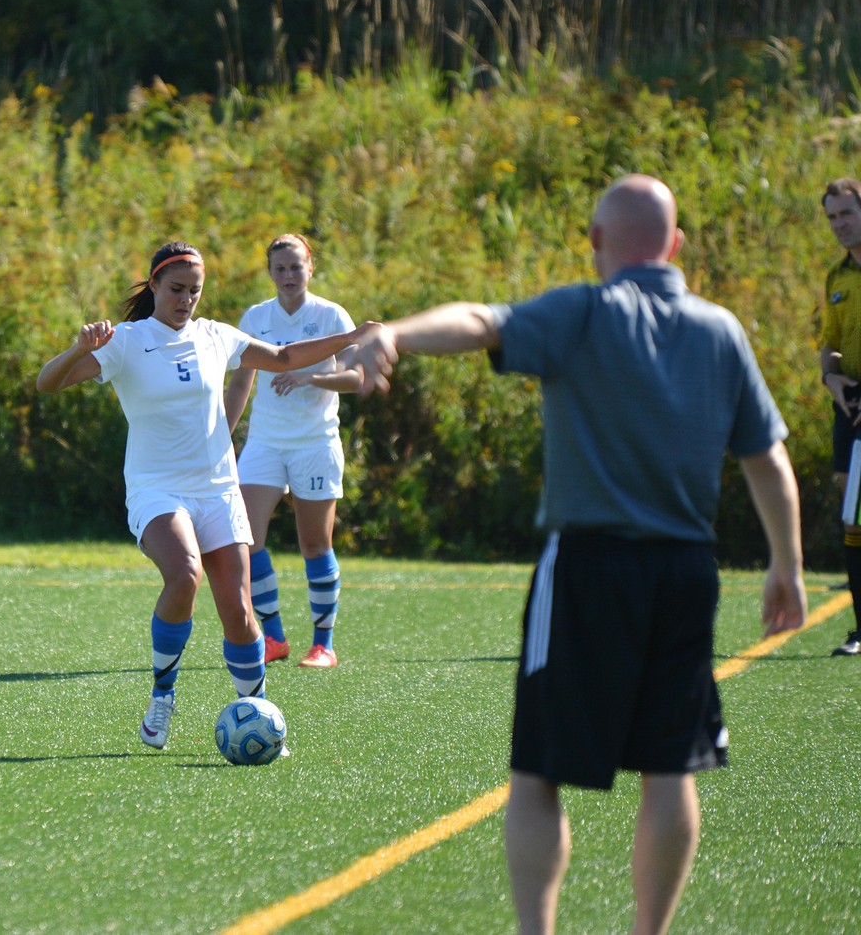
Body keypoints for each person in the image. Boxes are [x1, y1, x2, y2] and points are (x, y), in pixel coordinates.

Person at [345, 175, 807, 935]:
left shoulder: (583, 311)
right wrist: (785, 563)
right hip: (686, 570)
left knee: (538, 772)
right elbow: (767, 458)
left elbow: (481, 320)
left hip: (588, 568)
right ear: (676, 244)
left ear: (595, 240)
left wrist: (393, 333)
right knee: (670, 768)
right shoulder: (721, 329)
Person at [36, 241, 373, 751]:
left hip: (217, 488)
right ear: (153, 285)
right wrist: (80, 350)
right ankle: (163, 695)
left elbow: (283, 358)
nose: (186, 299)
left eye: (194, 291)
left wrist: (351, 336)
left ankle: (257, 711)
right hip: (156, 488)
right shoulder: (125, 342)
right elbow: (48, 383)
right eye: (176, 289)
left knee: (239, 611)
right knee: (185, 573)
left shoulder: (215, 335)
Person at [225, 234, 362, 668]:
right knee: (246, 540)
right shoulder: (255, 317)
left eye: (295, 266)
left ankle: (324, 645)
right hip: (265, 443)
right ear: (270, 272)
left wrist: (309, 377)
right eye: (280, 268)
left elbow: (356, 377)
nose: (288, 275)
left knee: (315, 545)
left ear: (310, 267)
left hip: (315, 443)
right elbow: (241, 383)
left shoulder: (331, 315)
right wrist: (220, 436)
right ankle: (274, 637)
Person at [817, 178, 861, 657]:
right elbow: (829, 342)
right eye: (832, 217)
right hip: (851, 402)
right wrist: (831, 378)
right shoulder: (837, 277)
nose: (839, 224)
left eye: (846, 213)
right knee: (853, 515)